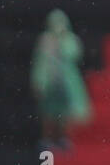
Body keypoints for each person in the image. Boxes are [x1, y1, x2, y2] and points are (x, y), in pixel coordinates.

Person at [30, 9, 91, 150]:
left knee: (64, 114)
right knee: (49, 114)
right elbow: (40, 62)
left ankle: (63, 138)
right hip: (50, 83)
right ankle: (48, 139)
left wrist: (61, 44)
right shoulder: (45, 40)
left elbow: (75, 54)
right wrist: (38, 81)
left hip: (66, 85)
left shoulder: (69, 40)